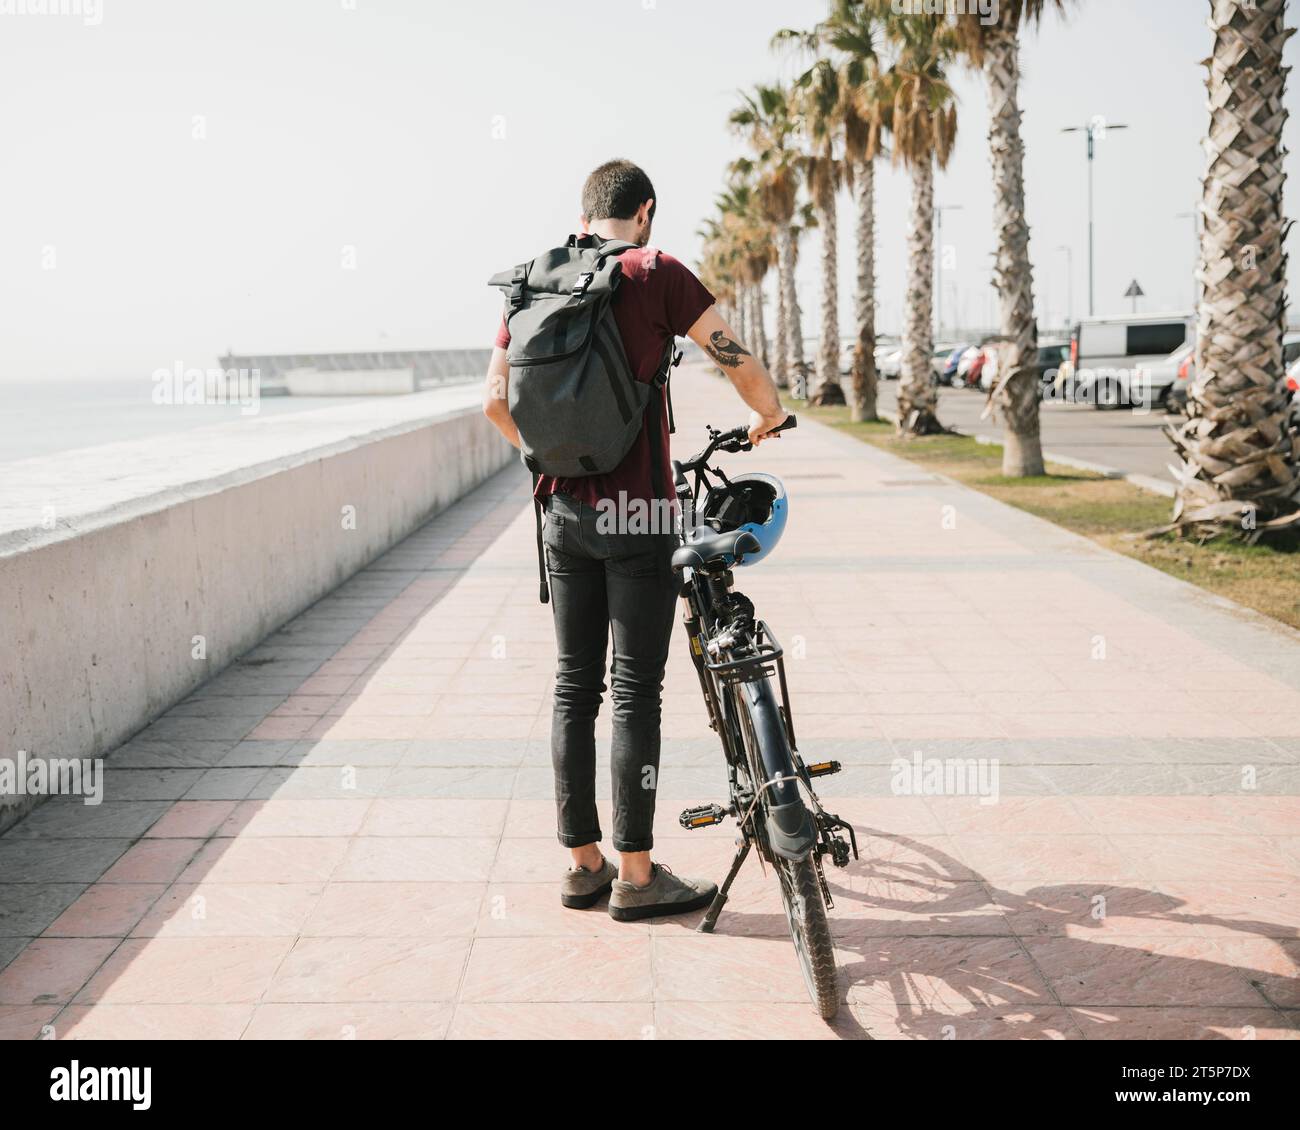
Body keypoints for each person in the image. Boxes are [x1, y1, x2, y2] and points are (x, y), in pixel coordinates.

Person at [483, 158, 788, 920]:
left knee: (572, 685)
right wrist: (766, 414)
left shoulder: (531, 279)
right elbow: (732, 357)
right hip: (641, 514)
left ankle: (582, 864)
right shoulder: (656, 273)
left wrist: (550, 463)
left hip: (559, 516)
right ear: (644, 212)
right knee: (633, 692)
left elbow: (493, 400)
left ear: (585, 213)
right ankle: (638, 875)